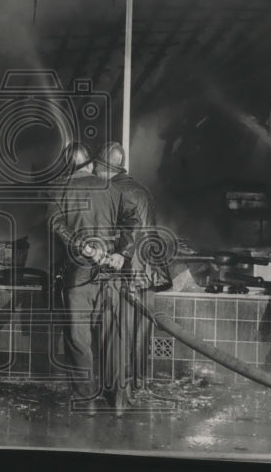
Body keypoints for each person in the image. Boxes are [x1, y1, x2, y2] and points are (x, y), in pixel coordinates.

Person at [48, 141, 129, 414]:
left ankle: (86, 402)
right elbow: (133, 224)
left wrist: (80, 245)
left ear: (67, 166)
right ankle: (117, 401)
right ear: (91, 164)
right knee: (112, 338)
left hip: (78, 274)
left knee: (79, 338)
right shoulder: (113, 188)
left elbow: (55, 226)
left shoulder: (59, 188)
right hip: (111, 276)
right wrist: (122, 254)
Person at [92, 141, 171, 401]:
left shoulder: (115, 189)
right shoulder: (140, 188)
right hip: (149, 273)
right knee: (139, 335)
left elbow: (133, 227)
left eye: (95, 167)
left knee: (120, 335)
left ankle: (120, 393)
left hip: (129, 274)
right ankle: (136, 387)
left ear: (104, 167)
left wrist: (117, 253)